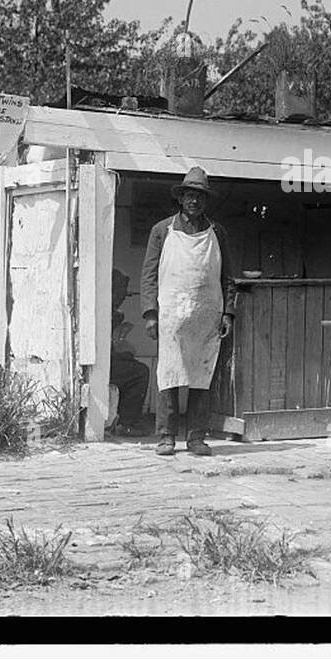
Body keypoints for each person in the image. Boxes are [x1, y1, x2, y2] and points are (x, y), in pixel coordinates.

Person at [140, 167, 237, 457]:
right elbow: (149, 274)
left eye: (200, 197)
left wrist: (228, 313)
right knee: (169, 374)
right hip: (172, 315)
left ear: (206, 202)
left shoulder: (217, 232)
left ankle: (196, 438)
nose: (194, 201)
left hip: (207, 316)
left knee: (201, 376)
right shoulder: (162, 230)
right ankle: (166, 437)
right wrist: (149, 313)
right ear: (181, 199)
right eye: (190, 196)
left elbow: (228, 276)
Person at [105, 312, 152, 437]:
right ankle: (127, 423)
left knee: (134, 368)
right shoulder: (110, 314)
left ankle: (125, 421)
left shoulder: (114, 314)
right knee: (140, 372)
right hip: (103, 366)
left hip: (106, 362)